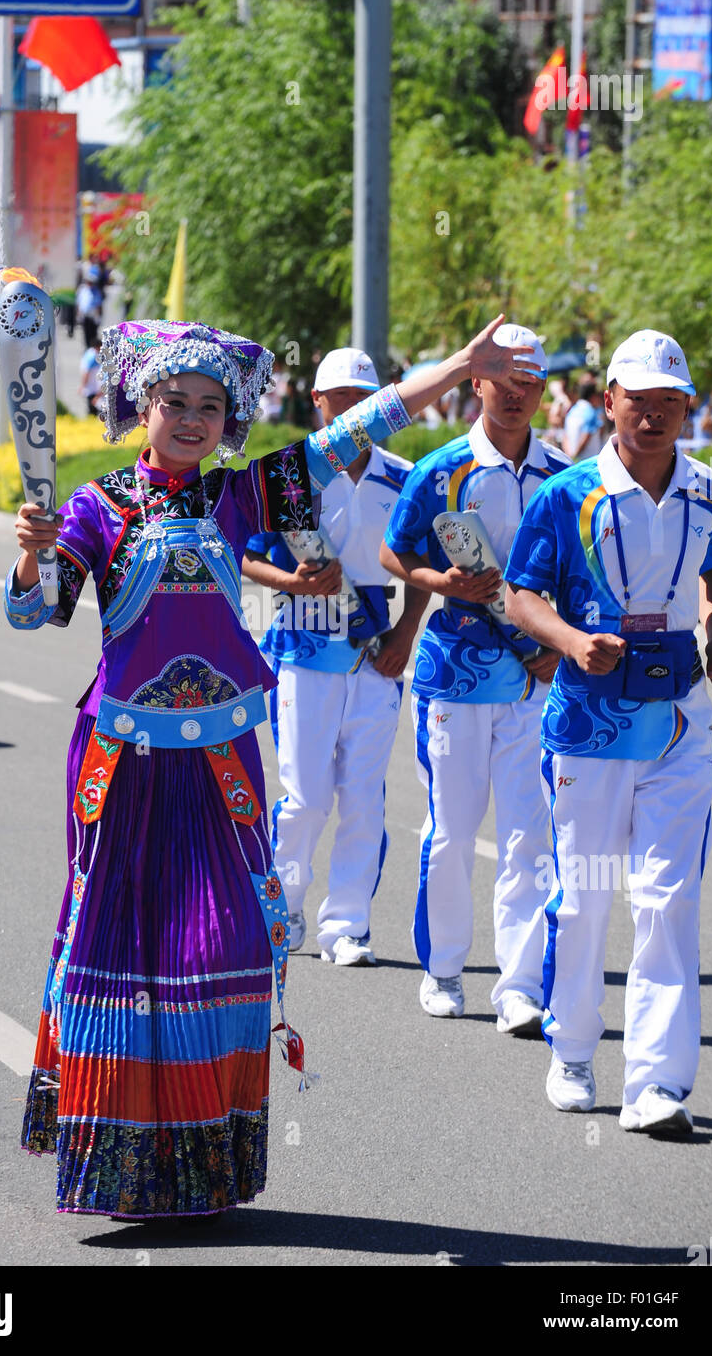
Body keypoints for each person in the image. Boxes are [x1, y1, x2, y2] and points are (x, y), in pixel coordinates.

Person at [4, 312, 533, 1219]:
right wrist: (31, 556)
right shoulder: (95, 506)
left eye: (211, 406)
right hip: (122, 761)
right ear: (143, 404)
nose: (193, 418)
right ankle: (119, 1171)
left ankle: (202, 1167)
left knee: (232, 947)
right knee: (124, 957)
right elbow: (33, 614)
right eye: (176, 401)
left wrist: (454, 368)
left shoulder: (239, 496)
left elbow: (356, 431)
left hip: (221, 763)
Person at [504, 329, 712, 1133]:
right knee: (587, 896)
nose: (654, 416)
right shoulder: (566, 496)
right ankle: (571, 1051)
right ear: (608, 404)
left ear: (686, 409)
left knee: (669, 899)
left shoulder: (710, 491)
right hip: (587, 722)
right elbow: (519, 594)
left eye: (670, 402)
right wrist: (568, 642)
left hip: (677, 721)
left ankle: (656, 1086)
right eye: (639, 401)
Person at [380, 324, 570, 1032]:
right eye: (503, 380)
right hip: (455, 676)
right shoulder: (440, 470)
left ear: (542, 390)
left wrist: (560, 642)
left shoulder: (563, 476)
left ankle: (518, 987)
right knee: (453, 832)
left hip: (537, 682)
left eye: (529, 383)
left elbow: (576, 575)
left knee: (529, 835)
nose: (515, 395)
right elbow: (393, 551)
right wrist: (442, 582)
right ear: (476, 382)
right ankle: (444, 968)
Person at [242, 347, 428, 965]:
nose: (351, 412)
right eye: (339, 399)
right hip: (302, 651)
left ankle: (346, 926)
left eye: (363, 401)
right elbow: (242, 553)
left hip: (376, 657)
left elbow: (426, 559)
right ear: (317, 404)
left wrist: (406, 631)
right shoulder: (291, 477)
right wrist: (290, 583)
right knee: (305, 797)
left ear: (381, 406)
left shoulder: (405, 477)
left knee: (364, 797)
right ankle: (283, 907)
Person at [562, 378, 603, 461]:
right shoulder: (591, 412)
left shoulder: (572, 410)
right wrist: (576, 455)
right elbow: (586, 436)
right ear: (593, 396)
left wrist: (569, 456)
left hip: (571, 459)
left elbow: (565, 436)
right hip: (587, 460)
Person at [78, 338, 103, 416]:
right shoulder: (93, 356)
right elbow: (86, 372)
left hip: (93, 386)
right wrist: (83, 385)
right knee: (93, 408)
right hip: (92, 387)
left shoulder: (90, 352)